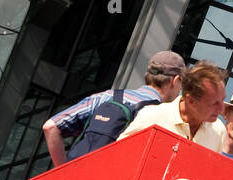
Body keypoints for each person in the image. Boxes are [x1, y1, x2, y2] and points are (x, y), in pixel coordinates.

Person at [42, 51, 185, 166]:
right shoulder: (161, 113)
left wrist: (61, 171)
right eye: (181, 84)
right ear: (175, 80)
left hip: (73, 177)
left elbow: (50, 127)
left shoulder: (106, 97)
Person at [117, 60, 227, 151]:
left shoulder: (219, 131)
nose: (222, 109)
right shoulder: (151, 116)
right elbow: (119, 154)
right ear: (191, 101)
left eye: (223, 100)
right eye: (214, 103)